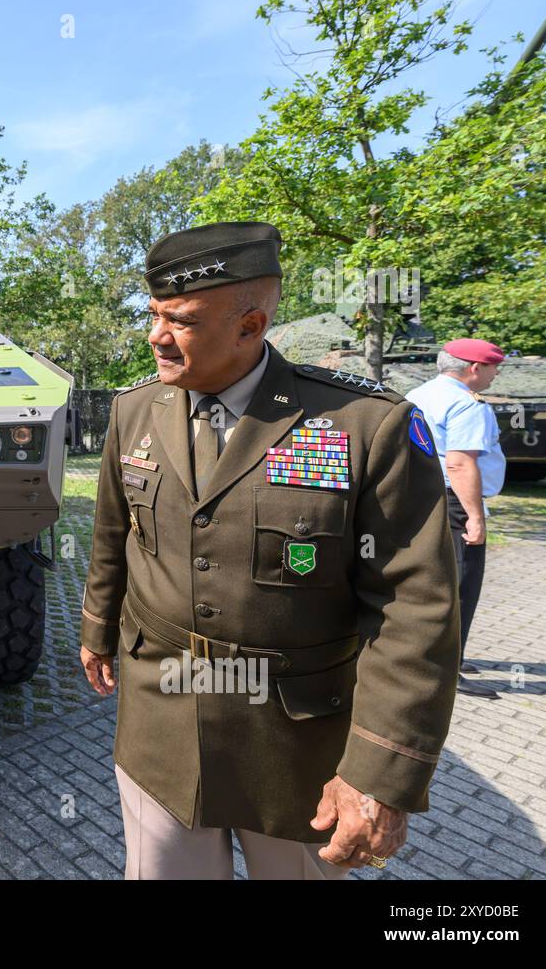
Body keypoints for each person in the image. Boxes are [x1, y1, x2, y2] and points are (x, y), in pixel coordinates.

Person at [78, 222, 461, 879]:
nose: (155, 336)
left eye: (181, 320)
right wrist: (96, 629)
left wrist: (377, 772)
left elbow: (414, 609)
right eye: (154, 315)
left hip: (295, 749)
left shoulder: (363, 427)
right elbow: (115, 533)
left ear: (250, 326)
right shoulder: (134, 411)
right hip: (159, 727)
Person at [405, 340, 507, 700]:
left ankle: (447, 657)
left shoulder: (419, 393)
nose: (496, 375)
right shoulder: (466, 403)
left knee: (436, 582)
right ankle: (445, 670)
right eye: (495, 368)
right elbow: (460, 463)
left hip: (423, 497)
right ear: (475, 368)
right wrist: (475, 518)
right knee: (460, 587)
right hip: (455, 502)